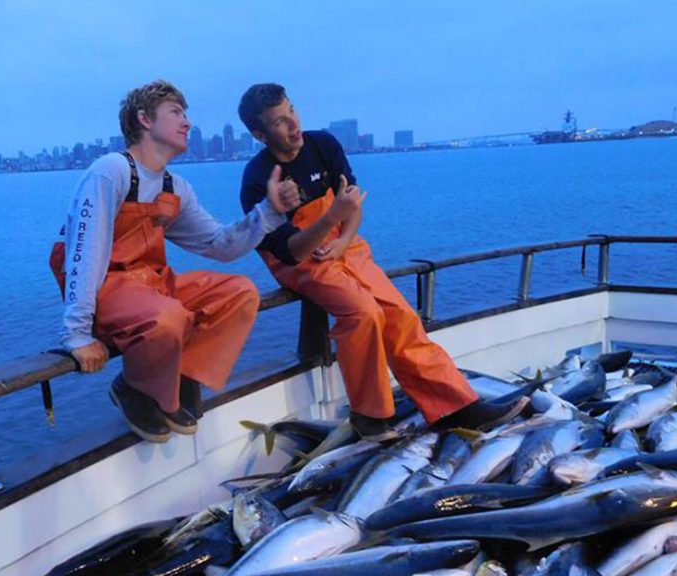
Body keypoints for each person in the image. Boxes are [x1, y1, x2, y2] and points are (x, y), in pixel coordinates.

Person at [237, 83, 528, 441]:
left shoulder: (323, 145)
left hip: (346, 243)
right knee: (363, 313)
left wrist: (343, 238)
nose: (294, 125)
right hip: (301, 260)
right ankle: (369, 416)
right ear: (259, 134)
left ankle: (454, 407)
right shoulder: (257, 180)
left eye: (293, 111)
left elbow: (352, 204)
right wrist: (331, 221)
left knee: (400, 315)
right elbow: (291, 252)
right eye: (280, 122)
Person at [55, 80, 302, 444]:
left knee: (239, 293)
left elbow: (219, 244)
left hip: (149, 286)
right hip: (108, 288)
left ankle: (176, 380)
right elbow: (83, 250)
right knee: (167, 316)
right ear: (145, 119)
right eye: (176, 113)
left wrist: (267, 213)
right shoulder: (111, 171)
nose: (187, 122)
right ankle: (135, 389)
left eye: (186, 114)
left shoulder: (175, 188)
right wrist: (76, 333)